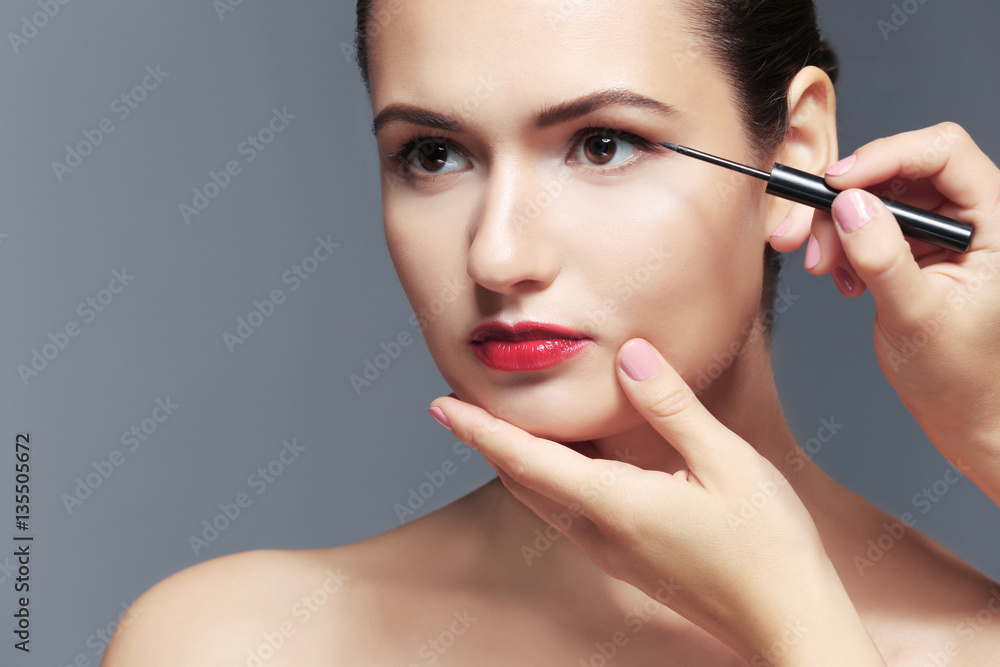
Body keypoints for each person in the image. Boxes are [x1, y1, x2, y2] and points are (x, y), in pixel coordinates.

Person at [102, 0, 1000, 664]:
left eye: (602, 144)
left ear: (796, 151)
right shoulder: (229, 643)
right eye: (433, 154)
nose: (497, 255)